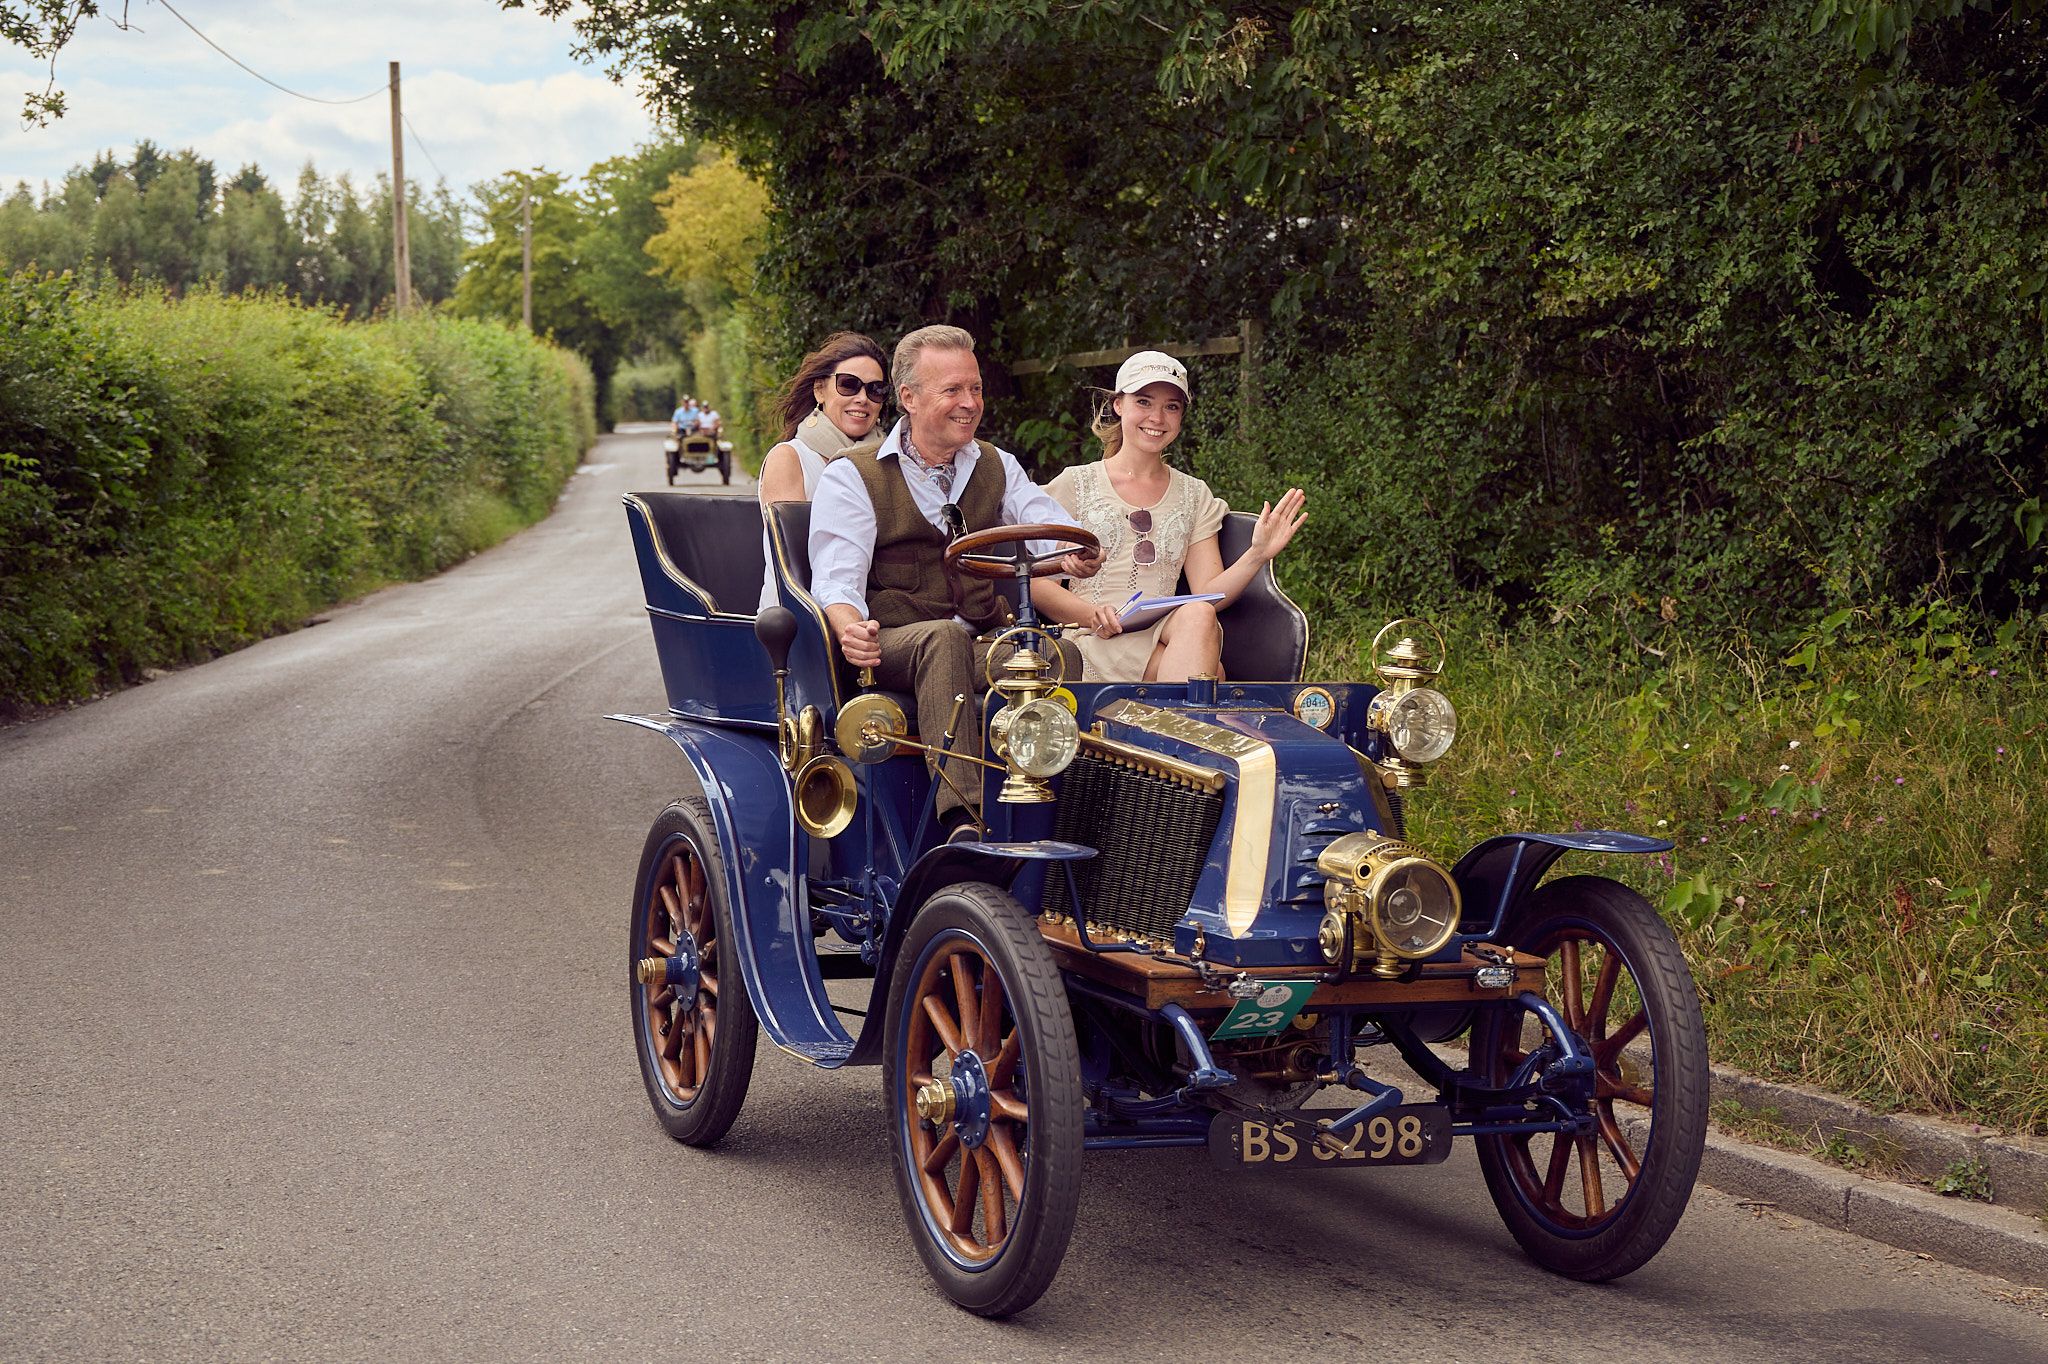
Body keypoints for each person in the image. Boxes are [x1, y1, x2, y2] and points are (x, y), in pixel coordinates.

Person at [809, 325, 1099, 836]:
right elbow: (838, 578)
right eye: (953, 391)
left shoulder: (995, 464)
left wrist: (1074, 551)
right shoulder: (853, 475)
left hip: (977, 639)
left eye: (976, 389)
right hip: (898, 644)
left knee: (1061, 657)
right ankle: (962, 819)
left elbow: (1045, 523)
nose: (970, 403)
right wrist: (849, 627)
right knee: (942, 639)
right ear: (909, 399)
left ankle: (1060, 818)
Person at [1030, 350, 1306, 683]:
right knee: (1210, 674)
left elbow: (1208, 591)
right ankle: (1187, 725)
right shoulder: (1074, 484)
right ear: (1119, 405)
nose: (1157, 418)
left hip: (1163, 628)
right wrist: (1092, 615)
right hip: (1091, 634)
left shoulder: (1194, 494)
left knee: (1199, 612)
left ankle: (1170, 728)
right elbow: (1037, 585)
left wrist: (1257, 554)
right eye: (1144, 402)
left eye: (1171, 407)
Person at [757, 332, 890, 611]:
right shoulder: (789, 458)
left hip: (880, 609)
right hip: (799, 616)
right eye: (848, 385)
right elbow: (797, 561)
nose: (863, 398)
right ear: (820, 390)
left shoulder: (891, 461)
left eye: (875, 389)